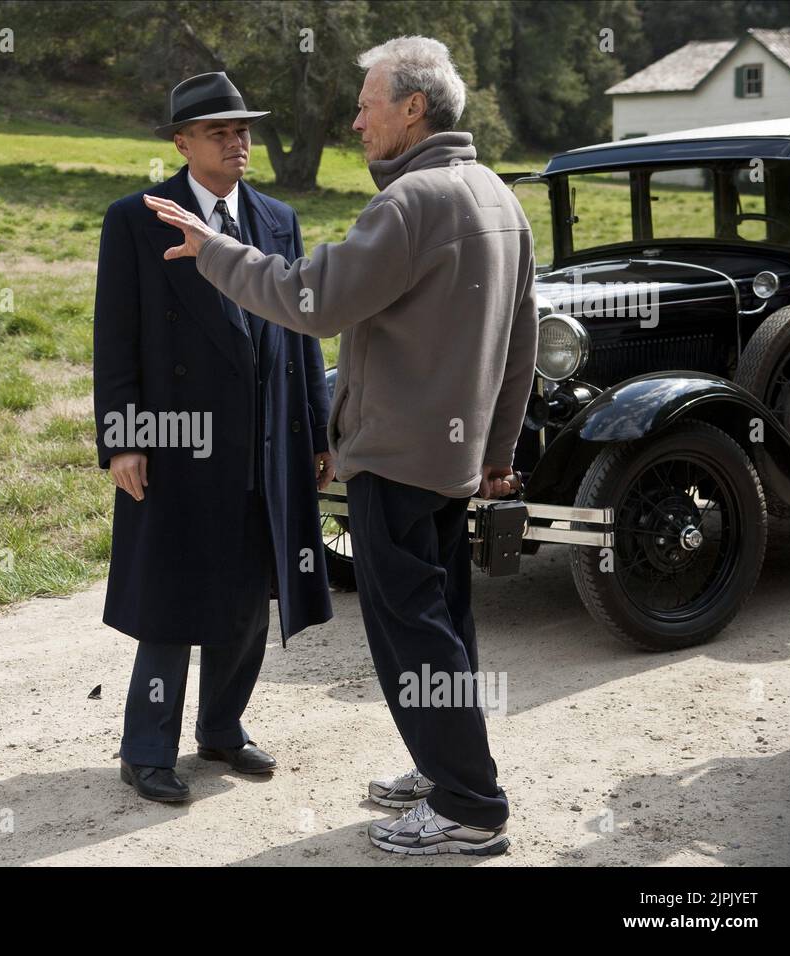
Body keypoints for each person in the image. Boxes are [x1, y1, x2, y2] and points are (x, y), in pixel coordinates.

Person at [144, 37, 537, 854]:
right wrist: (496, 452)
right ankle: (446, 769)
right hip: (453, 461)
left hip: (396, 458)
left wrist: (212, 251)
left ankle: (468, 803)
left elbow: (310, 301)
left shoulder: (411, 203)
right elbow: (523, 341)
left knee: (411, 633)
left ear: (413, 109)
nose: (355, 120)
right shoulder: (497, 193)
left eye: (367, 104)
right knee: (446, 621)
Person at [93, 71, 334, 803]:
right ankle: (146, 750)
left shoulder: (277, 219)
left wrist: (315, 430)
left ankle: (223, 729)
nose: (239, 142)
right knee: (170, 596)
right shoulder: (135, 219)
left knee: (247, 594)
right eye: (220, 131)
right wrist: (123, 437)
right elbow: (116, 338)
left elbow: (299, 329)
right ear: (182, 142)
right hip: (174, 441)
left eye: (244, 130)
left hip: (264, 440)